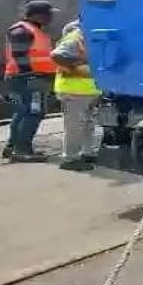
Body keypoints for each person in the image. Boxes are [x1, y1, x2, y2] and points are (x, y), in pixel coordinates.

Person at [2, 0, 60, 162]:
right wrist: (30, 75)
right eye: (49, 14)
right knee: (33, 112)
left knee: (23, 112)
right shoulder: (22, 30)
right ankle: (22, 150)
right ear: (38, 15)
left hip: (30, 78)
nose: (51, 18)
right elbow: (19, 55)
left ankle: (13, 147)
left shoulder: (34, 30)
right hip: (29, 78)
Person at [51, 17, 101, 171]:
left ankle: (87, 152)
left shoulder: (91, 35)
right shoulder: (77, 35)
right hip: (74, 90)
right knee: (75, 126)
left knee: (88, 123)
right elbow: (57, 55)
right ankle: (70, 158)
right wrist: (75, 68)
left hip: (89, 89)